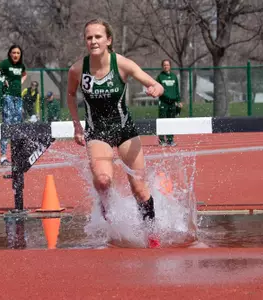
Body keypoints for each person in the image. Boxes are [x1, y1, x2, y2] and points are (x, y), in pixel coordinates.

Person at [67, 18, 164, 245]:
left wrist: (155, 89)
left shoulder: (122, 64)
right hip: (97, 131)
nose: (93, 41)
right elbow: (70, 95)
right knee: (102, 180)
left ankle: (151, 232)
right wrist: (76, 125)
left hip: (125, 129)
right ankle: (108, 211)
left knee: (139, 189)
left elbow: (153, 83)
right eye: (89, 37)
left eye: (98, 36)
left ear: (108, 40)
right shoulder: (77, 69)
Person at [0, 45, 27, 166]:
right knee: (7, 126)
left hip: (18, 98)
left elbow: (24, 74)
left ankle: (16, 155)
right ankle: (3, 157)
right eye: (13, 52)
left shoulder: (21, 65)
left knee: (17, 126)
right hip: (7, 98)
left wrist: (21, 81)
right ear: (10, 54)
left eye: (18, 53)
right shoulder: (5, 63)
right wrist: (2, 79)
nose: (15, 55)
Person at [156, 59, 182, 146]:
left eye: (167, 65)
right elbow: (157, 89)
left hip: (173, 103)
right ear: (162, 66)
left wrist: (178, 101)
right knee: (163, 121)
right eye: (164, 65)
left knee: (171, 121)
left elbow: (176, 90)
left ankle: (170, 140)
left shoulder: (174, 76)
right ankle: (161, 140)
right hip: (163, 102)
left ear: (170, 66)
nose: (166, 66)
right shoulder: (160, 77)